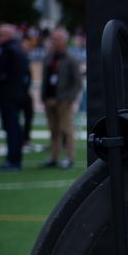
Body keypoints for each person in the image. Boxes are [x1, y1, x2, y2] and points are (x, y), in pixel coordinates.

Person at [41, 28, 83, 168]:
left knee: (66, 130)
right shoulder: (48, 58)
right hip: (49, 99)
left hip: (64, 100)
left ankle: (69, 158)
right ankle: (54, 156)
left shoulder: (71, 59)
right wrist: (43, 97)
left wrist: (70, 98)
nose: (54, 42)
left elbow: (77, 82)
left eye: (57, 39)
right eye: (53, 39)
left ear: (64, 41)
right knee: (53, 130)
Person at [0, 24, 30, 171]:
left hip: (9, 95)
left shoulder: (8, 50)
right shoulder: (18, 49)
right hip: (18, 94)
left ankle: (13, 161)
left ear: (7, 36)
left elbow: (1, 72)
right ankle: (15, 159)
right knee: (15, 128)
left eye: (0, 34)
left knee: (11, 128)